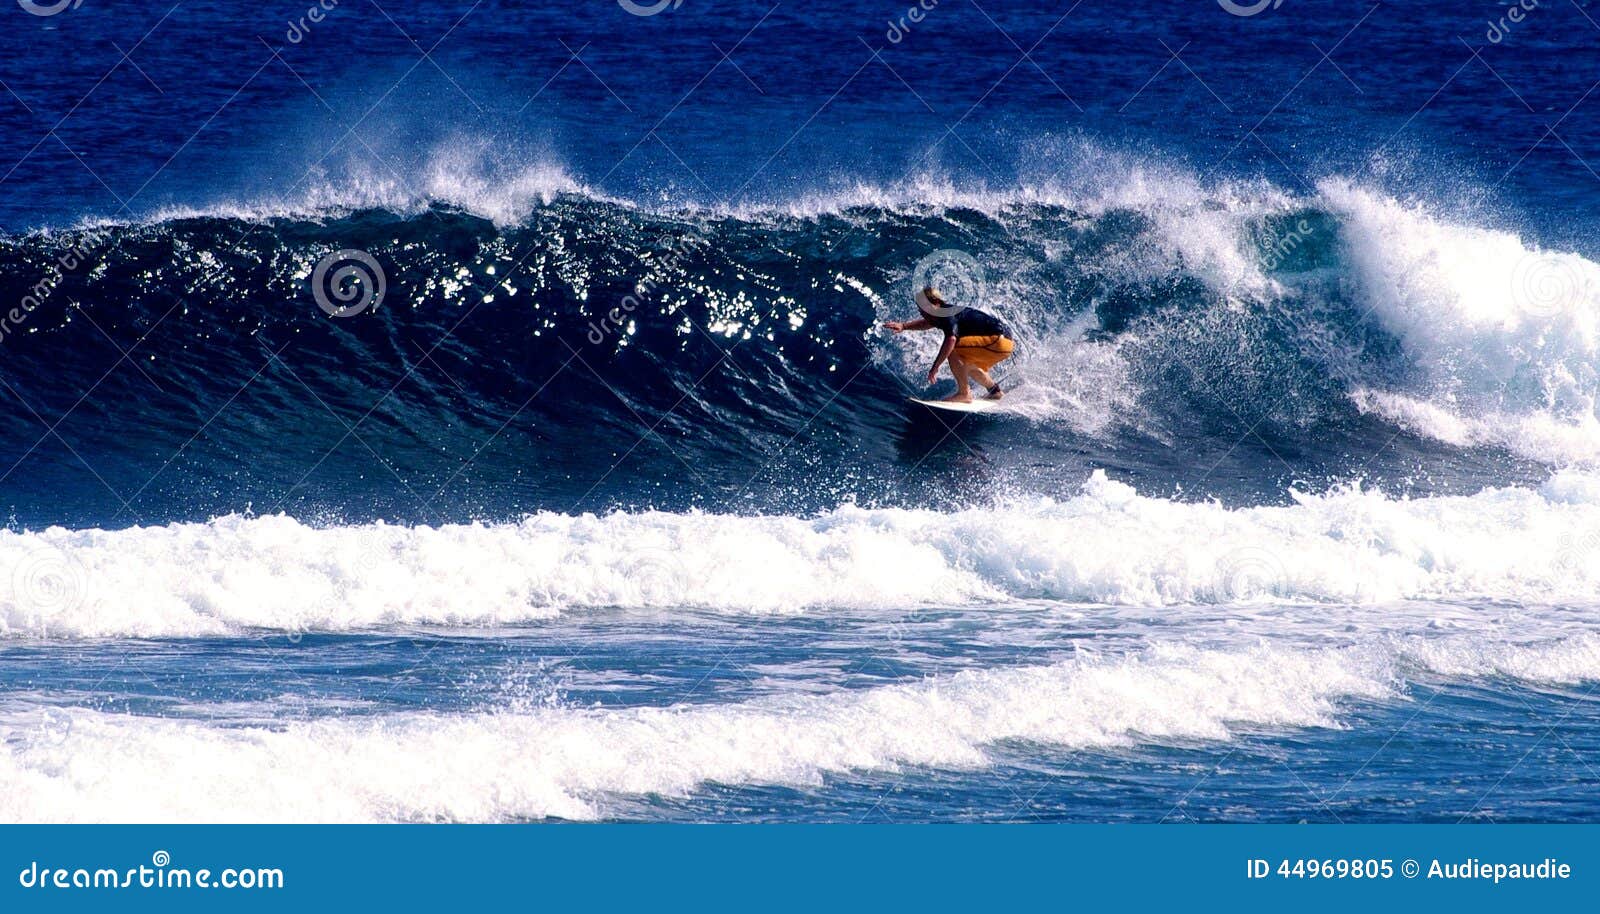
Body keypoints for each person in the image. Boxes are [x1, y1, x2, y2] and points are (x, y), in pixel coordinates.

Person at [883, 286, 1015, 401]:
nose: (921, 312)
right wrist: (904, 326)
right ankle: (994, 391)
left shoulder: (947, 315)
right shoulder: (941, 314)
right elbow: (927, 323)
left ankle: (964, 394)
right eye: (920, 309)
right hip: (1003, 344)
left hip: (998, 342)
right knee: (965, 364)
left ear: (935, 303)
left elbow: (951, 340)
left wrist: (935, 367)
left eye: (923, 308)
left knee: (953, 349)